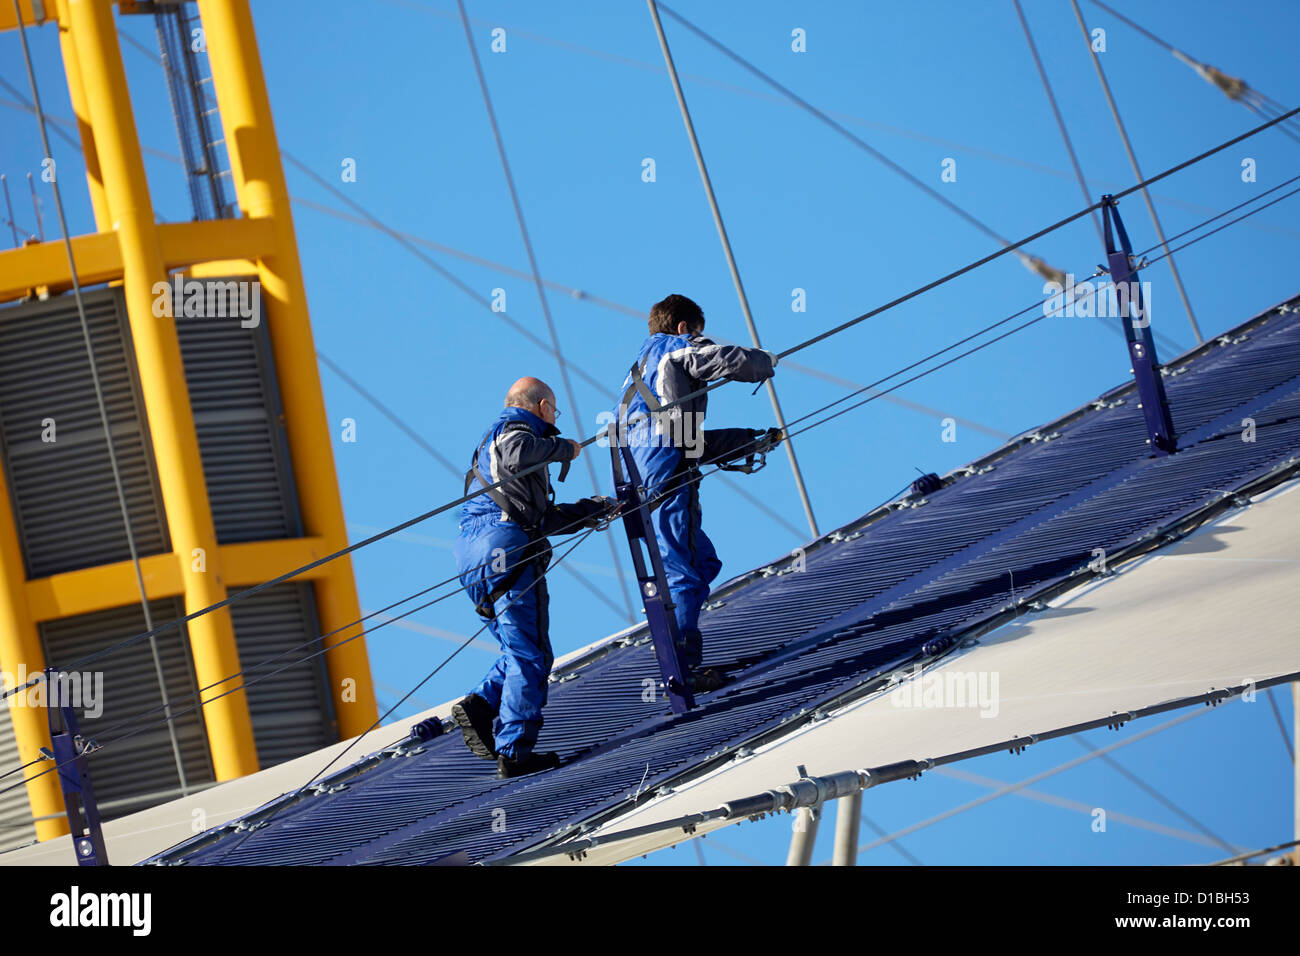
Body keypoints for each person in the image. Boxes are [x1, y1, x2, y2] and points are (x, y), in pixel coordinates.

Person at [614, 294, 782, 692]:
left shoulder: (637, 373)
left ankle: (674, 634)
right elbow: (723, 358)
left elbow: (685, 438)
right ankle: (682, 665)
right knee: (683, 570)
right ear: (684, 327)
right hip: (668, 477)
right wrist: (764, 362)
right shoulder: (676, 350)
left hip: (635, 479)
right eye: (698, 332)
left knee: (702, 561)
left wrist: (747, 441)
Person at [454, 377, 615, 778]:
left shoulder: (488, 450)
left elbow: (538, 519)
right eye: (554, 411)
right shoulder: (516, 431)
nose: (554, 419)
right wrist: (566, 449)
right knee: (534, 655)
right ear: (542, 406)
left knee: (517, 647)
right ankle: (515, 751)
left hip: (473, 556)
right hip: (507, 551)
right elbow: (520, 453)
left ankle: (479, 705)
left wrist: (589, 511)